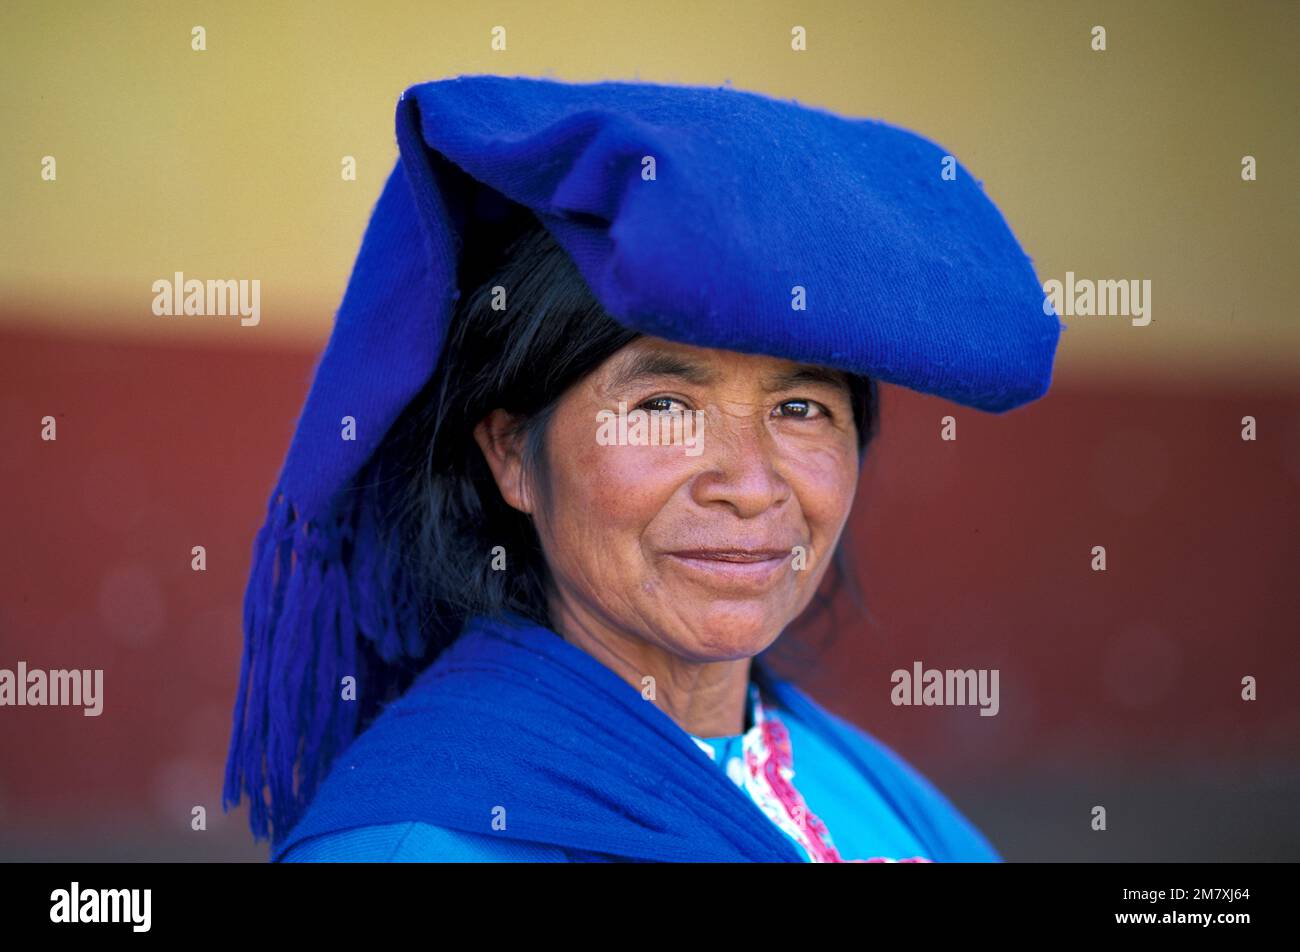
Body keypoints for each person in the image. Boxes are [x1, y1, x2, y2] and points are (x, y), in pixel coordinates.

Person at [223, 74, 1061, 863]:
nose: (751, 484)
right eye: (664, 406)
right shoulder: (417, 841)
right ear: (512, 451)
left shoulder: (883, 796)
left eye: (800, 409)